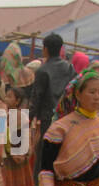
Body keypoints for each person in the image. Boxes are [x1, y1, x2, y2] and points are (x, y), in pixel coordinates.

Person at [30, 33, 74, 175]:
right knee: (63, 147)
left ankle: (41, 179)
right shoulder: (69, 68)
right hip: (66, 115)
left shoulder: (43, 70)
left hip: (48, 116)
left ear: (45, 49)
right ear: (60, 48)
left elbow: (37, 97)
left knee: (45, 148)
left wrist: (29, 118)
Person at [2, 80, 35, 186]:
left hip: (16, 151)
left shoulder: (22, 117)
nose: (6, 99)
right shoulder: (3, 113)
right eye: (6, 95)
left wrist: (22, 153)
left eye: (10, 97)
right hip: (7, 150)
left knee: (11, 179)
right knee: (6, 179)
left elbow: (25, 136)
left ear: (17, 101)